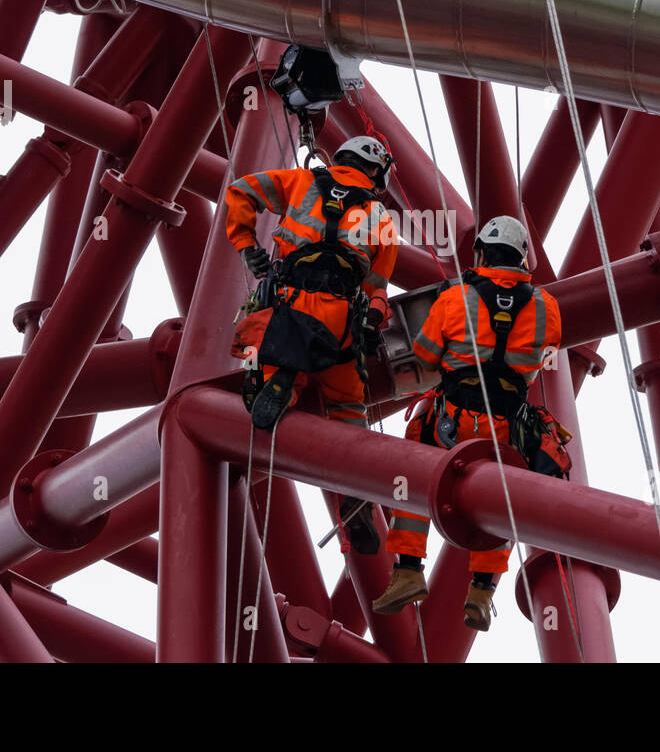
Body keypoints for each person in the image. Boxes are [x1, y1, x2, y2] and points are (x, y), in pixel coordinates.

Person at [372, 215, 563, 631]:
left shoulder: (455, 298)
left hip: (453, 420)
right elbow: (538, 362)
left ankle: (407, 570)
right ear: (523, 258)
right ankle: (482, 590)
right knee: (502, 497)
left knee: (413, 463)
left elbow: (423, 357)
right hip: (505, 428)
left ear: (481, 253)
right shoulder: (548, 308)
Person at [225, 135, 397, 553]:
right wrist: (373, 320)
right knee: (349, 406)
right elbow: (377, 290)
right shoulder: (381, 217)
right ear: (376, 172)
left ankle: (279, 381)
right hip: (340, 321)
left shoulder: (301, 181)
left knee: (256, 357)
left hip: (288, 303)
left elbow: (241, 192)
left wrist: (248, 247)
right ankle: (354, 492)